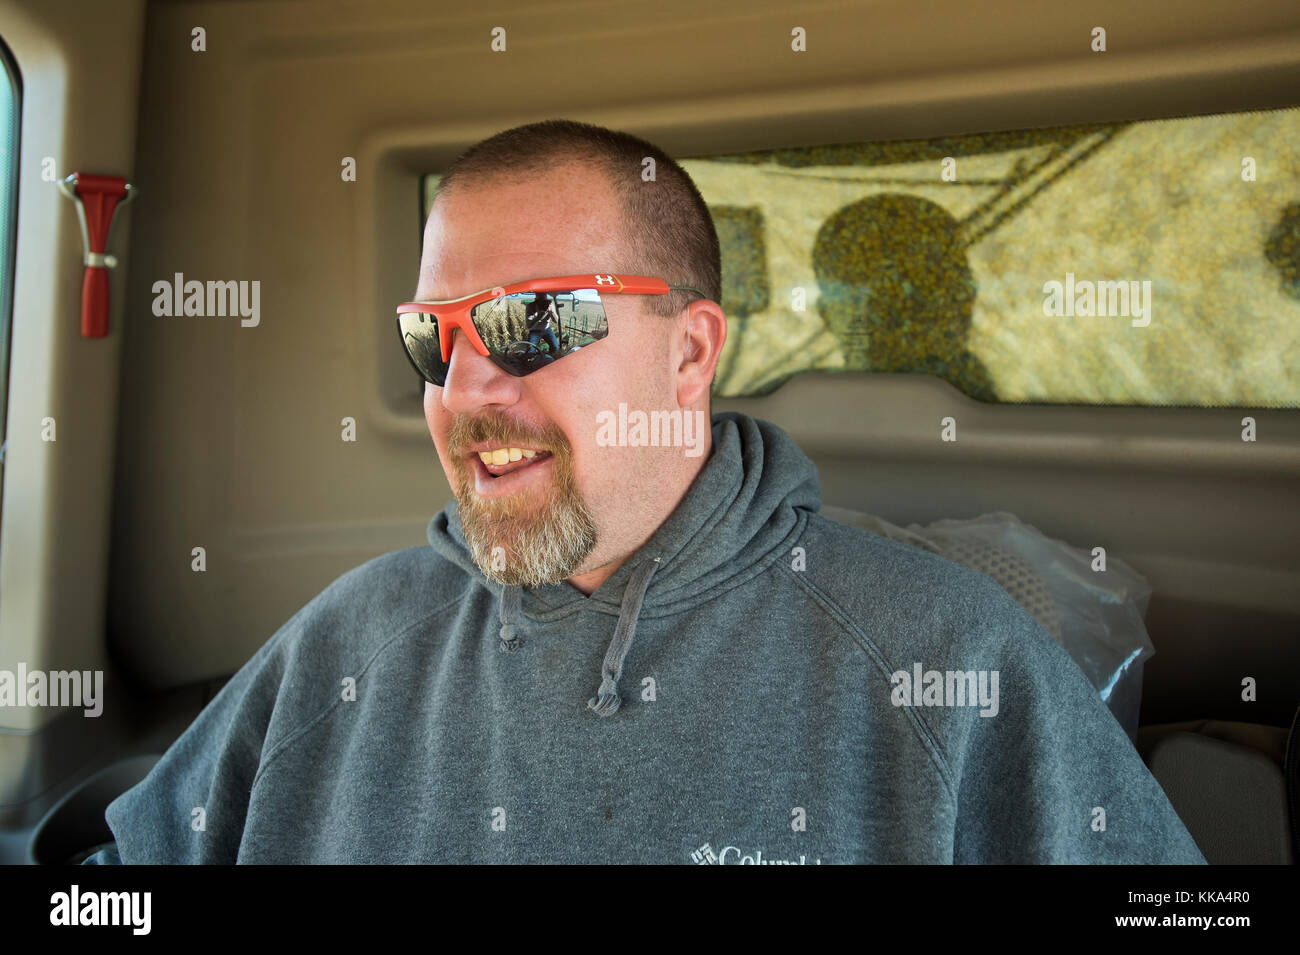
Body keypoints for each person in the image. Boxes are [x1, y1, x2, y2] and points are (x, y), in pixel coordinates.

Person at [90, 119, 1205, 864]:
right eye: (434, 335)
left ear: (688, 354)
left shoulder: (948, 661)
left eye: (535, 321)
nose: (468, 388)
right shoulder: (348, 643)